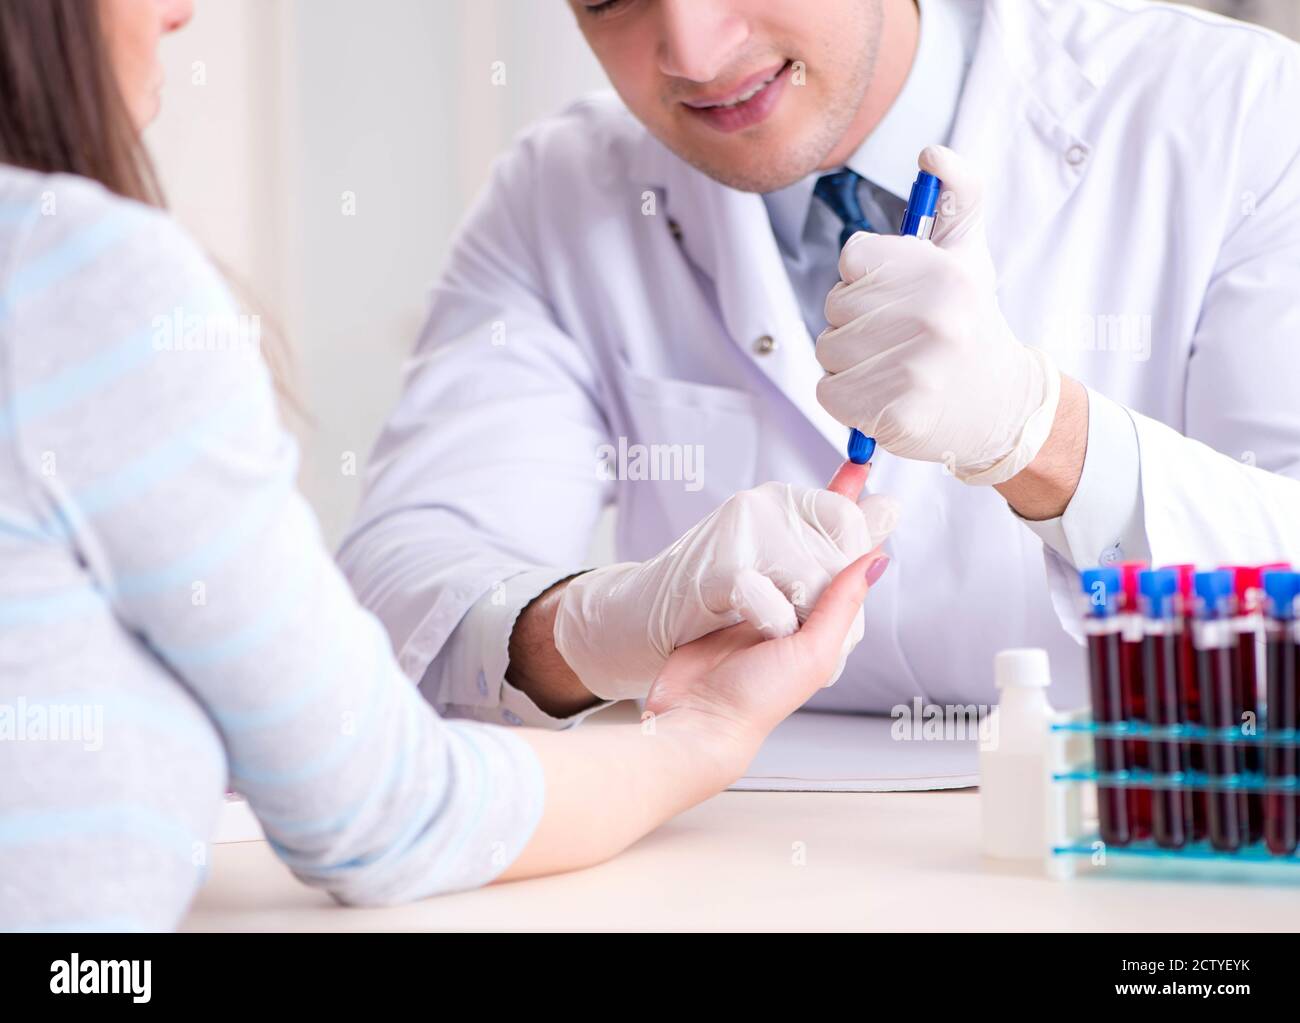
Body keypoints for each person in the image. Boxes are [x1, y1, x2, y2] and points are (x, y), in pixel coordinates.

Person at [0, 0, 890, 932]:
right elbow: (377, 784)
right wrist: (613, 644)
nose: (691, 49)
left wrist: (1051, 444)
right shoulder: (81, 282)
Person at [341, 0, 1300, 731]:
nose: (693, 54)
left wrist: (1042, 433)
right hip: (735, 869)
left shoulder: (1243, 116)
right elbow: (397, 588)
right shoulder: (562, 192)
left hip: (1143, 869)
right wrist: (591, 628)